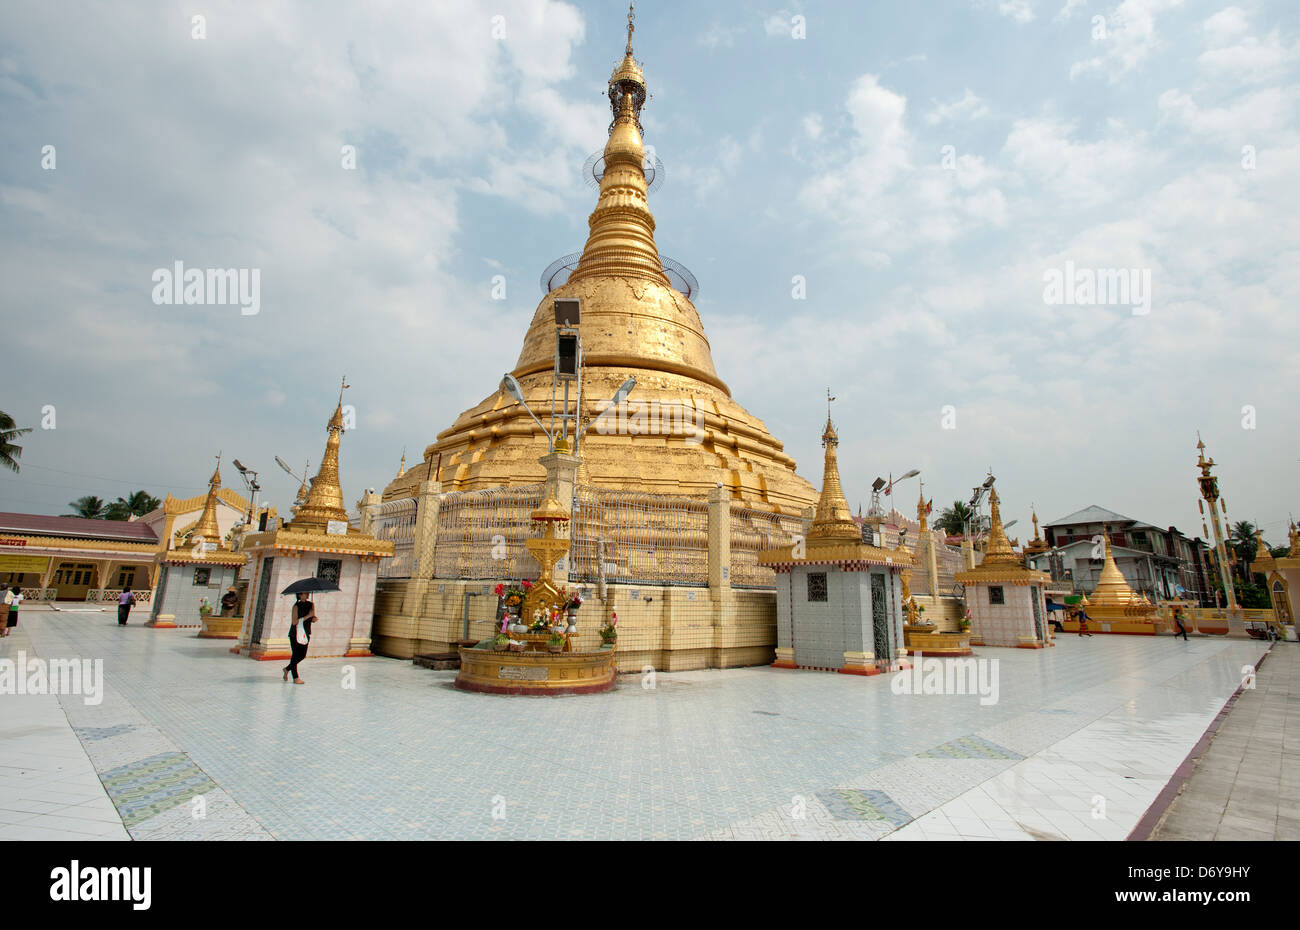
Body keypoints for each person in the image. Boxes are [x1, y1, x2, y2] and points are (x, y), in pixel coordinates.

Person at [283, 592, 315, 684]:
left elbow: (312, 618)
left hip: (306, 633)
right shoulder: (296, 606)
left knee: (302, 655)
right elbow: (294, 622)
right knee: (295, 655)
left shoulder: (311, 605)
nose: (308, 594)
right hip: (295, 633)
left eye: (308, 593)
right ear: (300, 595)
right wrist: (308, 616)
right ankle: (295, 677)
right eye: (305, 593)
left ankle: (287, 669)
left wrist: (313, 618)